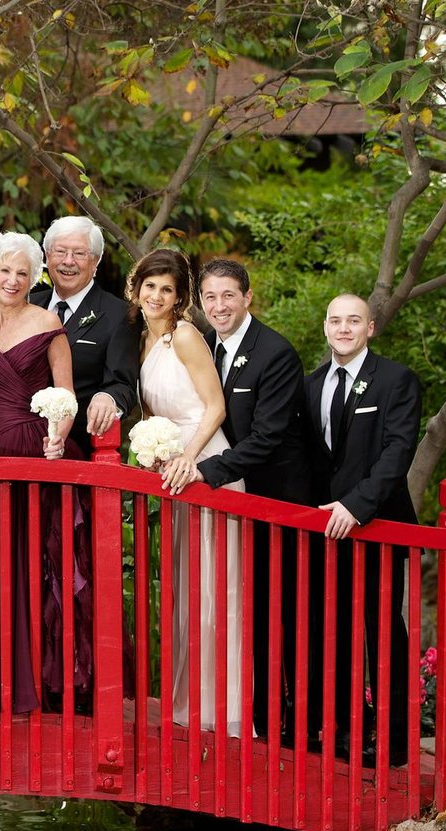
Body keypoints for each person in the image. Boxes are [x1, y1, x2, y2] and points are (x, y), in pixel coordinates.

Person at [160, 258, 313, 743]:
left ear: (248, 297)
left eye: (229, 296)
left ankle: (298, 728)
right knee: (245, 608)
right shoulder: (208, 346)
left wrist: (202, 470)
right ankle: (262, 721)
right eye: (210, 298)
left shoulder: (275, 353)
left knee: (284, 611)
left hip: (277, 498)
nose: (219, 306)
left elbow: (267, 437)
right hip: (229, 498)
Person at [0, 232, 91, 714]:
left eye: (22, 273)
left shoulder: (49, 323)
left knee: (40, 565)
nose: (13, 280)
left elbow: (65, 393)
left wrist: (58, 435)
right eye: (4, 271)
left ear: (34, 277)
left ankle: (42, 678)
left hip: (39, 455)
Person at [130, 248, 244, 736]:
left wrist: (188, 458)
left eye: (167, 289)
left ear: (180, 299)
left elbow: (215, 407)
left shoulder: (185, 337)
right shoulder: (145, 342)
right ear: (138, 289)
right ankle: (190, 706)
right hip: (177, 473)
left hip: (207, 463)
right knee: (188, 590)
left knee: (219, 590)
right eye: (150, 286)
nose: (156, 296)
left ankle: (227, 712)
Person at [304, 293, 419, 767]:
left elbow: (397, 453)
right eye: (336, 321)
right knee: (336, 631)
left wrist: (357, 506)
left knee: (383, 629)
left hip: (380, 526)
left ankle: (395, 741)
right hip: (323, 532)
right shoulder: (310, 386)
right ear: (326, 328)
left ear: (370, 328)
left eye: (354, 321)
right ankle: (348, 732)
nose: (344, 328)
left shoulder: (396, 380)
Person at [31, 216, 139, 455]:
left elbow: (122, 384)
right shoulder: (29, 303)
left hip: (78, 447)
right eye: (60, 251)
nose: (68, 261)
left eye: (79, 253)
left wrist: (107, 398)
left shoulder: (119, 315)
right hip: (18, 439)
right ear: (47, 256)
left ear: (95, 261)